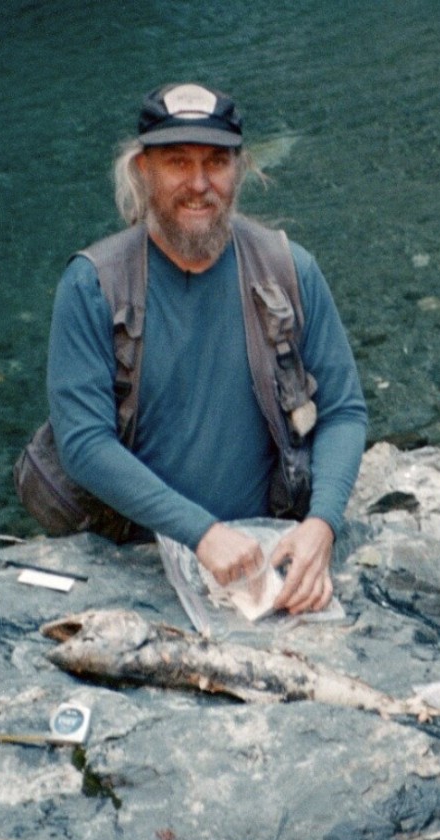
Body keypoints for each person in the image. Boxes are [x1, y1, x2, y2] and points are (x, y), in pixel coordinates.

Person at [47, 82, 367, 614]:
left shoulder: (289, 270)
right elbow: (82, 443)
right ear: (142, 171)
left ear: (239, 171)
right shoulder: (92, 285)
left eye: (216, 162)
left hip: (268, 552)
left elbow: (344, 411)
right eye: (178, 163)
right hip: (136, 556)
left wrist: (321, 526)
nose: (199, 184)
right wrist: (202, 533)